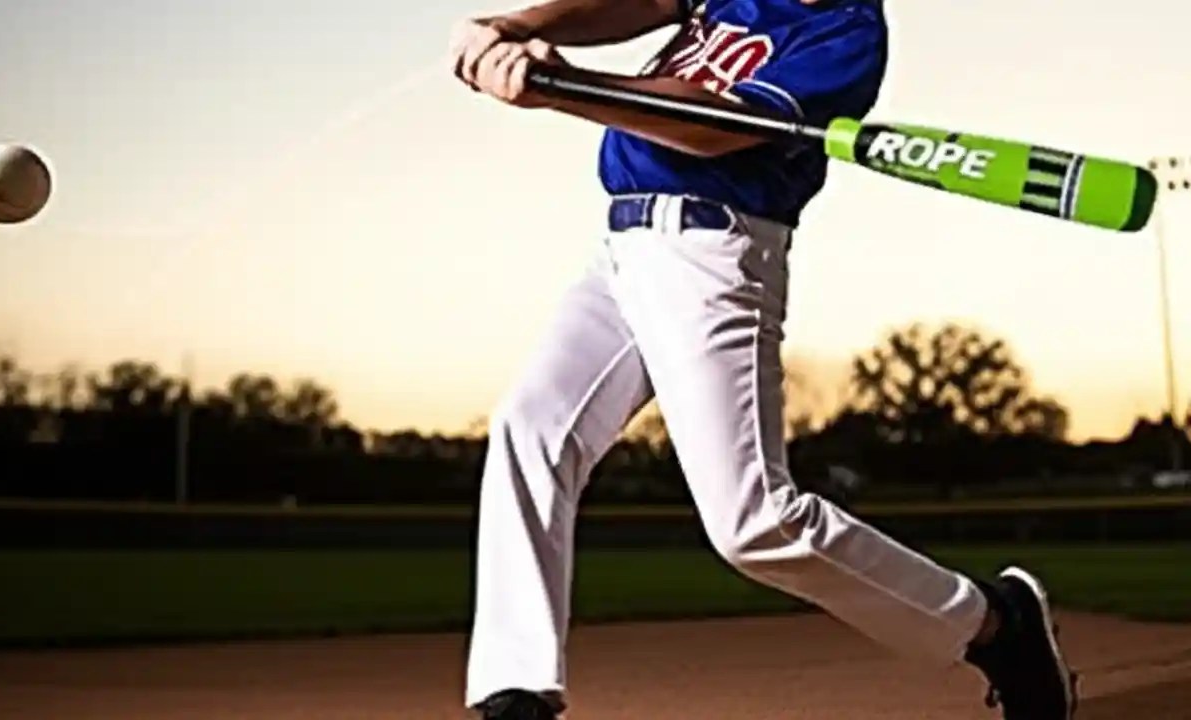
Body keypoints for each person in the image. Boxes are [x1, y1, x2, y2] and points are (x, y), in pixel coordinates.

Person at [447, 1, 1078, 718]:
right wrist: (521, 27)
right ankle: (517, 691)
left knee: (755, 522)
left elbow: (714, 127)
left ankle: (994, 624)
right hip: (620, 247)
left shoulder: (847, 34)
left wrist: (563, 87)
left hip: (715, 255)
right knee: (531, 427)